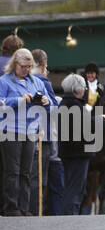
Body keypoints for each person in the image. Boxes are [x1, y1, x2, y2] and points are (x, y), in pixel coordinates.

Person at [0, 49, 49, 215]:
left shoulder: (37, 82)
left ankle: (24, 207)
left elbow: (52, 105)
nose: (27, 70)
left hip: (30, 131)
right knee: (12, 171)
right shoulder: (4, 81)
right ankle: (10, 207)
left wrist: (46, 101)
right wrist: (19, 100)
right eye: (24, 66)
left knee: (26, 172)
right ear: (15, 64)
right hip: (10, 130)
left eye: (29, 66)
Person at [57, 74, 105, 216]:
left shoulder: (65, 103)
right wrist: (101, 120)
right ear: (77, 89)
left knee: (73, 186)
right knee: (75, 188)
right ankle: (69, 215)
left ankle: (71, 213)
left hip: (69, 152)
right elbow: (86, 125)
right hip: (77, 153)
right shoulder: (74, 104)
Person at [30, 49, 62, 215]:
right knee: (40, 178)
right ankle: (37, 211)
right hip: (44, 135)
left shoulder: (24, 79)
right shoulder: (43, 81)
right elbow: (53, 109)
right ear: (43, 64)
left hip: (26, 133)